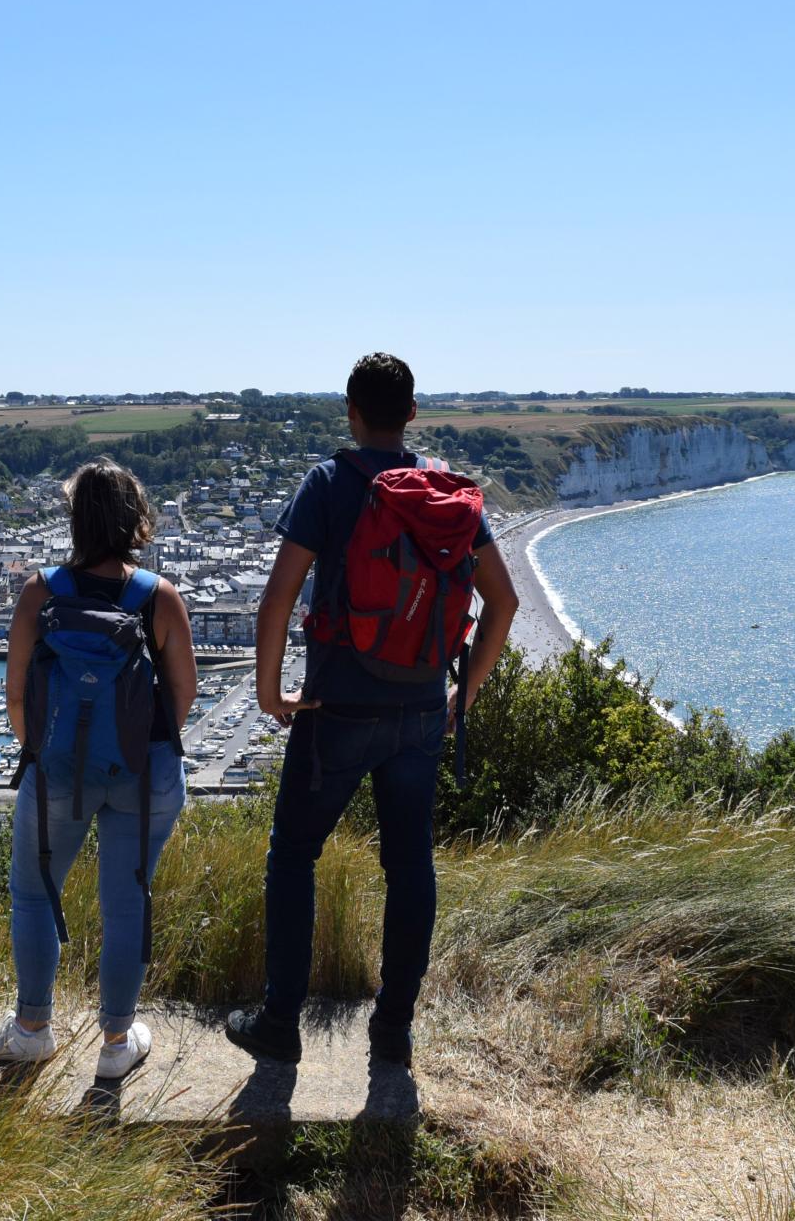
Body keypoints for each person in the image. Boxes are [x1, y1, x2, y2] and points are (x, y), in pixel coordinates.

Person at [225, 352, 519, 1072]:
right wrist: (464, 693)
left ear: (350, 412)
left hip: (337, 709)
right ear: (412, 413)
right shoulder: (447, 495)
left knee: (294, 854)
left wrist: (271, 694)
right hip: (420, 709)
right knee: (410, 863)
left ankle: (280, 1022)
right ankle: (392, 1031)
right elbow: (503, 604)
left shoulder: (328, 483)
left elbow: (278, 597)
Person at [0, 458, 198, 1080]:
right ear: (135, 518)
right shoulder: (158, 597)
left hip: (58, 772)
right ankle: (117, 1043)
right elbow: (184, 696)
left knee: (34, 891)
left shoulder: (41, 593)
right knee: (127, 901)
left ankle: (32, 1029)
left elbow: (16, 696)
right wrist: (140, 745)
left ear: (75, 519)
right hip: (144, 772)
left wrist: (50, 753)